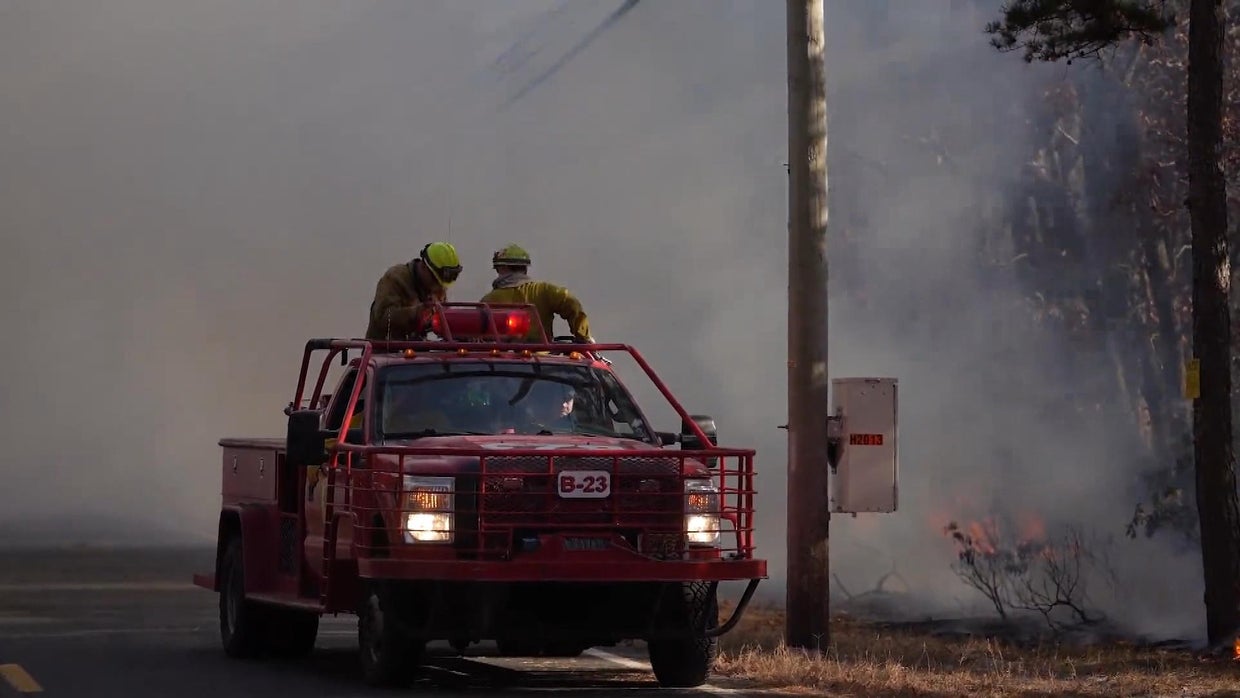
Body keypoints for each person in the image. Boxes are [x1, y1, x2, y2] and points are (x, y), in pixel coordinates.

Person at [479, 243, 593, 344]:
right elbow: (571, 304)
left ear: (502, 268)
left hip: (501, 360)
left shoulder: (488, 301)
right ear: (525, 269)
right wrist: (583, 336)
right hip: (544, 357)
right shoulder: (545, 291)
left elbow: (480, 334)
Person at [365, 242, 462, 340]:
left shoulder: (437, 286)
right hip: (384, 350)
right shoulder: (396, 278)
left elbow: (442, 321)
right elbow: (382, 317)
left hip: (416, 350)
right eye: (435, 280)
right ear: (424, 266)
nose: (438, 287)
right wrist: (419, 313)